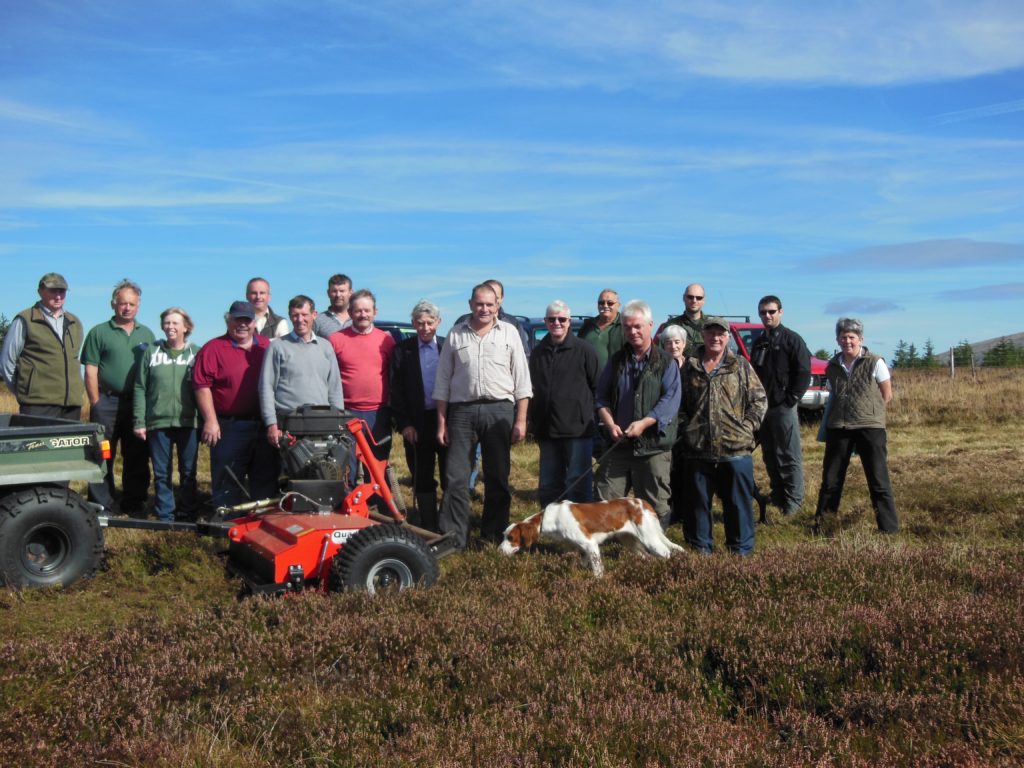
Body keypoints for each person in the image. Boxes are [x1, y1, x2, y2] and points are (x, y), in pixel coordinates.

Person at [434, 283, 532, 548]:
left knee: (497, 476)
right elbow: (442, 381)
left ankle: (493, 533)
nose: (484, 309)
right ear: (470, 304)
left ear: (497, 306)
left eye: (490, 304)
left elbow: (522, 380)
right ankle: (454, 537)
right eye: (479, 304)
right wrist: (442, 421)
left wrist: (520, 420)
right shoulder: (455, 334)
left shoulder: (510, 333)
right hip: (461, 412)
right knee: (455, 478)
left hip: (499, 410)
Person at [677, 317, 767, 555]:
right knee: (698, 504)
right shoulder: (690, 367)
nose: (715, 338)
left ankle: (740, 550)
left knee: (738, 504)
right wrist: (687, 428)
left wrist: (748, 427)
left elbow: (759, 400)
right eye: (710, 333)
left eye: (720, 334)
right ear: (703, 336)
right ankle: (700, 549)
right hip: (697, 448)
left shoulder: (740, 365)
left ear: (727, 337)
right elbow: (679, 404)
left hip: (735, 448)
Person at [595, 300, 680, 528]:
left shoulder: (666, 362)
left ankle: (656, 551)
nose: (632, 332)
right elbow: (601, 397)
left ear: (650, 325)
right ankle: (617, 549)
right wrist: (609, 423)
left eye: (637, 326)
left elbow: (670, 402)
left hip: (653, 446)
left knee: (655, 504)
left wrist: (644, 423)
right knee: (606, 499)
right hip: (618, 445)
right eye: (627, 327)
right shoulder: (616, 361)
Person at [815, 318, 898, 534]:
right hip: (838, 427)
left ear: (861, 339)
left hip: (870, 427)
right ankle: (824, 528)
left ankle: (888, 530)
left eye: (852, 337)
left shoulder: (875, 362)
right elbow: (833, 393)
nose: (847, 341)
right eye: (843, 337)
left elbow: (886, 394)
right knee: (831, 481)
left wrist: (869, 412)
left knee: (878, 481)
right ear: (837, 339)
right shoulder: (832, 365)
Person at [192, 300, 278, 509]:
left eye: (246, 320)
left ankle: (261, 526)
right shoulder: (213, 348)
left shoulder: (267, 346)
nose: (242, 325)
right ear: (228, 321)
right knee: (227, 478)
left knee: (265, 478)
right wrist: (211, 421)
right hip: (229, 426)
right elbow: (202, 386)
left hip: (264, 424)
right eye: (237, 320)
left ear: (254, 322)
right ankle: (227, 523)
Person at [81, 279, 156, 514]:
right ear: (113, 304)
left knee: (136, 454)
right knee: (102, 454)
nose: (127, 308)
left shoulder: (147, 334)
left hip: (137, 403)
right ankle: (102, 502)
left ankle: (134, 501)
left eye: (132, 304)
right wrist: (96, 401)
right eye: (122, 303)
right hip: (107, 402)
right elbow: (90, 369)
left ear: (138, 305)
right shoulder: (99, 332)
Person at [529, 299, 599, 507]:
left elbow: (598, 388)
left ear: (569, 321)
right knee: (549, 483)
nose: (556, 323)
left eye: (561, 319)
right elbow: (532, 388)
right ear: (545, 321)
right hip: (547, 429)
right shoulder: (538, 353)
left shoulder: (584, 350)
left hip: (577, 430)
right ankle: (551, 528)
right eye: (552, 319)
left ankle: (582, 529)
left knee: (577, 481)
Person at [132, 308, 201, 522]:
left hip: (188, 421)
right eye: (167, 322)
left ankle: (188, 511)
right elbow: (140, 387)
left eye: (175, 323)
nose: (170, 327)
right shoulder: (151, 352)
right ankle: (165, 514)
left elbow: (204, 388)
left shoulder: (196, 353)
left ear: (186, 327)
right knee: (162, 473)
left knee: (188, 471)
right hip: (157, 421)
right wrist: (139, 421)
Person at [749, 295, 811, 518]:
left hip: (783, 407)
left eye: (771, 312)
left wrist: (791, 398)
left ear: (781, 312)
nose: (767, 316)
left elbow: (804, 371)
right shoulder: (759, 341)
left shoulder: (792, 339)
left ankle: (794, 501)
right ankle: (778, 495)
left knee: (788, 454)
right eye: (763, 312)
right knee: (770, 454)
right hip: (763, 408)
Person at [259, 295, 345, 449]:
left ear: (314, 315)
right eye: (295, 315)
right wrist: (271, 423)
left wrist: (338, 419)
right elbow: (266, 387)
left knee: (323, 471)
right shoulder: (277, 347)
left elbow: (334, 387)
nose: (300, 319)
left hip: (321, 421)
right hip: (288, 423)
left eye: (304, 314)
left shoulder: (325, 346)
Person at [390, 299, 446, 531]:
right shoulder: (402, 350)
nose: (425, 328)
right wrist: (405, 425)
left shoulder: (447, 347)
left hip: (444, 420)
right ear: (413, 323)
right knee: (422, 476)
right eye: (420, 323)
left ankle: (448, 523)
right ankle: (428, 525)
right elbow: (396, 390)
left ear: (438, 323)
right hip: (417, 423)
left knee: (450, 476)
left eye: (429, 323)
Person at [328, 288, 396, 477]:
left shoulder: (386, 341)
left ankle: (376, 502)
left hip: (378, 413)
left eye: (367, 310)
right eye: (358, 311)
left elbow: (393, 375)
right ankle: (348, 502)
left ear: (375, 312)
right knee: (345, 464)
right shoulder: (336, 340)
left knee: (376, 463)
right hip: (346, 412)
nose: (363, 315)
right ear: (350, 313)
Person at [0, 272, 86, 420]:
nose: (58, 296)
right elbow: (7, 363)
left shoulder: (74, 322)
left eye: (62, 291)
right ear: (40, 291)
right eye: (53, 291)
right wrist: (26, 391)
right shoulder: (25, 319)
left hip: (71, 405)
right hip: (37, 405)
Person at [661, 324, 688, 524]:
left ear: (684, 344)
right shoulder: (659, 366)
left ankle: (684, 509)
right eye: (669, 342)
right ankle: (669, 511)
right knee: (667, 472)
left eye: (677, 342)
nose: (673, 346)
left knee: (684, 471)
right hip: (666, 426)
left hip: (687, 428)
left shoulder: (693, 366)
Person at [657, 283, 712, 357]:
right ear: (684, 298)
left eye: (699, 298)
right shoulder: (671, 326)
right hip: (678, 368)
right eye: (690, 297)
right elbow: (661, 354)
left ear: (704, 300)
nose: (694, 301)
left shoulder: (712, 326)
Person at [578, 289, 627, 370]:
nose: (605, 306)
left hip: (614, 380)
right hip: (587, 380)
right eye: (601, 303)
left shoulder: (625, 326)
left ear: (618, 305)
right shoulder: (587, 326)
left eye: (610, 303)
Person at [313, 273, 353, 338]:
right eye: (334, 291)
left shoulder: (358, 319)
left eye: (342, 291)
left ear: (350, 293)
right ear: (328, 293)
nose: (338, 295)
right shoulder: (317, 320)